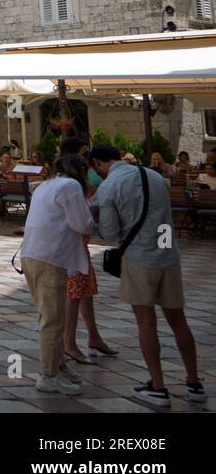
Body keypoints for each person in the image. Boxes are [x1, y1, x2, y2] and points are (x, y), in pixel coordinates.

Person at [91, 144, 205, 405]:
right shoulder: (154, 176)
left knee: (146, 322)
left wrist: (95, 218)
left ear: (97, 163)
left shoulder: (109, 187)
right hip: (168, 253)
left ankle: (158, 385)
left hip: (139, 257)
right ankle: (194, 382)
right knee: (179, 321)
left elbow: (108, 234)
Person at [15, 154, 97, 394]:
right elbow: (83, 224)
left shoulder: (46, 185)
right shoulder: (70, 186)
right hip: (50, 257)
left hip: (33, 255)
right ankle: (48, 375)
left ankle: (58, 365)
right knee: (52, 319)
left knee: (52, 316)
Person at [56, 152, 118, 365]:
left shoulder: (69, 188)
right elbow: (80, 223)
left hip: (81, 252)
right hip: (72, 253)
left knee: (85, 293)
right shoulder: (70, 189)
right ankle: (69, 343)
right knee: (73, 296)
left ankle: (94, 337)